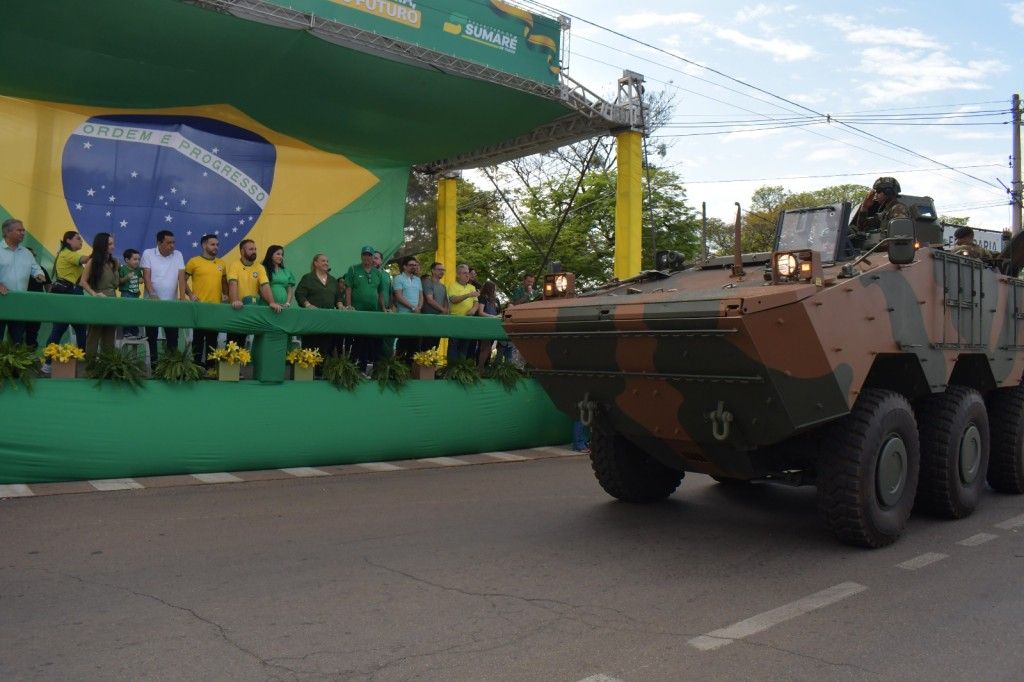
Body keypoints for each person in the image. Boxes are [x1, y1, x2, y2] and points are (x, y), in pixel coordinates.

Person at [43, 230, 90, 373]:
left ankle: (52, 364)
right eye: (78, 239)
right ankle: (48, 364)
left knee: (78, 330)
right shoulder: (68, 253)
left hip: (73, 293)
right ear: (68, 240)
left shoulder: (66, 253)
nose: (81, 242)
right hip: (68, 294)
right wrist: (99, 249)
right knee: (60, 331)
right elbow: (85, 259)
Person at [141, 230, 186, 370]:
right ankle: (154, 367)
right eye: (168, 243)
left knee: (173, 337)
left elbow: (181, 278)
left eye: (173, 242)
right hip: (152, 304)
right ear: (159, 243)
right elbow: (146, 276)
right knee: (152, 336)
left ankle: (171, 367)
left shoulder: (178, 255)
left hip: (171, 305)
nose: (172, 246)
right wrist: (152, 294)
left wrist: (183, 298)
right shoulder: (148, 253)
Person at [226, 239, 282, 346]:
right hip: (236, 309)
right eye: (251, 249)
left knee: (243, 342)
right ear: (242, 251)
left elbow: (265, 285)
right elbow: (233, 284)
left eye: (255, 249)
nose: (254, 251)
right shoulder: (234, 265)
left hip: (251, 310)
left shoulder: (260, 267)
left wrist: (272, 302)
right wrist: (235, 301)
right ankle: (229, 362)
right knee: (232, 342)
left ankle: (242, 362)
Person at [0, 218, 46, 344]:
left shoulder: (26, 253)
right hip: (1, 300)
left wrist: (38, 274)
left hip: (19, 303)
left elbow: (35, 267)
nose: (23, 233)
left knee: (17, 339)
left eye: (23, 230)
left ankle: (14, 363)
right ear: (7, 232)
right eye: (19, 230)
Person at [184, 234, 227, 365]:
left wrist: (226, 294)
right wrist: (190, 295)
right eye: (213, 244)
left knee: (212, 339)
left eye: (217, 245)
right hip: (199, 307)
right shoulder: (194, 261)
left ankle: (211, 369)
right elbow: (182, 281)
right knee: (198, 338)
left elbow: (224, 282)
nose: (216, 247)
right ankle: (196, 367)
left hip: (215, 308)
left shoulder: (221, 263)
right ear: (204, 245)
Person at [344, 245, 388, 369]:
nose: (367, 257)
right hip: (357, 311)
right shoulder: (353, 269)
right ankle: (356, 366)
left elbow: (380, 293)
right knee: (358, 339)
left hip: (372, 312)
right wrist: (349, 306)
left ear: (373, 258)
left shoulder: (378, 273)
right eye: (365, 255)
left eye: (370, 255)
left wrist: (383, 308)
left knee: (369, 340)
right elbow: (348, 288)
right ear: (361, 256)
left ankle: (367, 367)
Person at [295, 253, 345, 359]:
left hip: (328, 320)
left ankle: (323, 372)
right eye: (323, 261)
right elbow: (299, 294)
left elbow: (338, 297)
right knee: (310, 347)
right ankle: (308, 373)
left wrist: (340, 306)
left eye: (327, 261)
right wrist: (307, 305)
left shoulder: (332, 280)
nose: (326, 263)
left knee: (326, 347)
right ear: (315, 263)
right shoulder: (308, 278)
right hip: (312, 320)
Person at [79, 232, 119, 356]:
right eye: (110, 244)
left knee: (109, 337)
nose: (113, 246)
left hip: (113, 301)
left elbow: (117, 283)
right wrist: (94, 294)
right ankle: (90, 368)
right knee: (93, 336)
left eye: (113, 243)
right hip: (98, 301)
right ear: (102, 245)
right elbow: (83, 282)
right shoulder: (93, 261)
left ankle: (107, 368)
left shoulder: (115, 262)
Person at [850, 177, 910, 244]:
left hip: (894, 252)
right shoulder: (885, 212)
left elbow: (900, 239)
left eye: (878, 191)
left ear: (888, 192)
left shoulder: (898, 209)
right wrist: (864, 208)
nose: (876, 195)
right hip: (887, 251)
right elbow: (862, 227)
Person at [446, 264, 480, 362]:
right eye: (465, 273)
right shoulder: (452, 286)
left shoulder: (472, 287)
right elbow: (453, 300)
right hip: (455, 320)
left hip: (468, 321)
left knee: (465, 346)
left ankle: (461, 369)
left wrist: (473, 310)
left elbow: (476, 303)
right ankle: (451, 369)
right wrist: (468, 295)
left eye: (468, 273)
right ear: (458, 274)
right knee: (453, 345)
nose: (467, 275)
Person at [392, 256, 423, 358]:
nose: (414, 267)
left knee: (415, 343)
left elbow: (421, 296)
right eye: (411, 265)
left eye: (415, 265)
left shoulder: (418, 280)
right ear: (404, 266)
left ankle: (412, 369)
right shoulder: (398, 278)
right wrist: (413, 307)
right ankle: (399, 369)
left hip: (416, 315)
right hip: (404, 314)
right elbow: (399, 296)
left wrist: (419, 307)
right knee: (403, 342)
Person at [23, 246, 50, 350]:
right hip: (21, 305)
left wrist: (48, 299)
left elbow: (48, 286)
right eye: (30, 255)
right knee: (18, 330)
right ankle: (16, 354)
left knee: (33, 331)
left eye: (33, 255)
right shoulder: (18, 269)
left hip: (36, 306)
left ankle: (30, 355)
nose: (32, 257)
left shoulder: (41, 269)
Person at [420, 261, 448, 352]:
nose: (442, 272)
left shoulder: (443, 286)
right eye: (439, 269)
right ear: (432, 270)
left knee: (435, 347)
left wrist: (445, 311)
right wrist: (443, 310)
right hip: (428, 319)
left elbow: (445, 301)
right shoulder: (427, 282)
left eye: (443, 270)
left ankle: (431, 366)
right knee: (425, 347)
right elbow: (429, 300)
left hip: (439, 320)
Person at [118, 248, 144, 340]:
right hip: (126, 294)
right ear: (127, 260)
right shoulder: (123, 269)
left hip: (135, 294)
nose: (137, 261)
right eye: (135, 259)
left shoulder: (137, 270)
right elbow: (119, 281)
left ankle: (135, 332)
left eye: (138, 259)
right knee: (127, 312)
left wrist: (141, 280)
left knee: (135, 313)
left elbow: (141, 279)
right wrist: (126, 278)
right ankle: (126, 332)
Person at [475, 281, 501, 368]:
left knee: (489, 347)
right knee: (484, 347)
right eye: (494, 289)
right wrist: (493, 317)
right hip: (485, 325)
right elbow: (481, 312)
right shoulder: (483, 298)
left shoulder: (496, 300)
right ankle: (480, 367)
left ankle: (485, 365)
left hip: (493, 326)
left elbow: (499, 312)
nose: (495, 291)